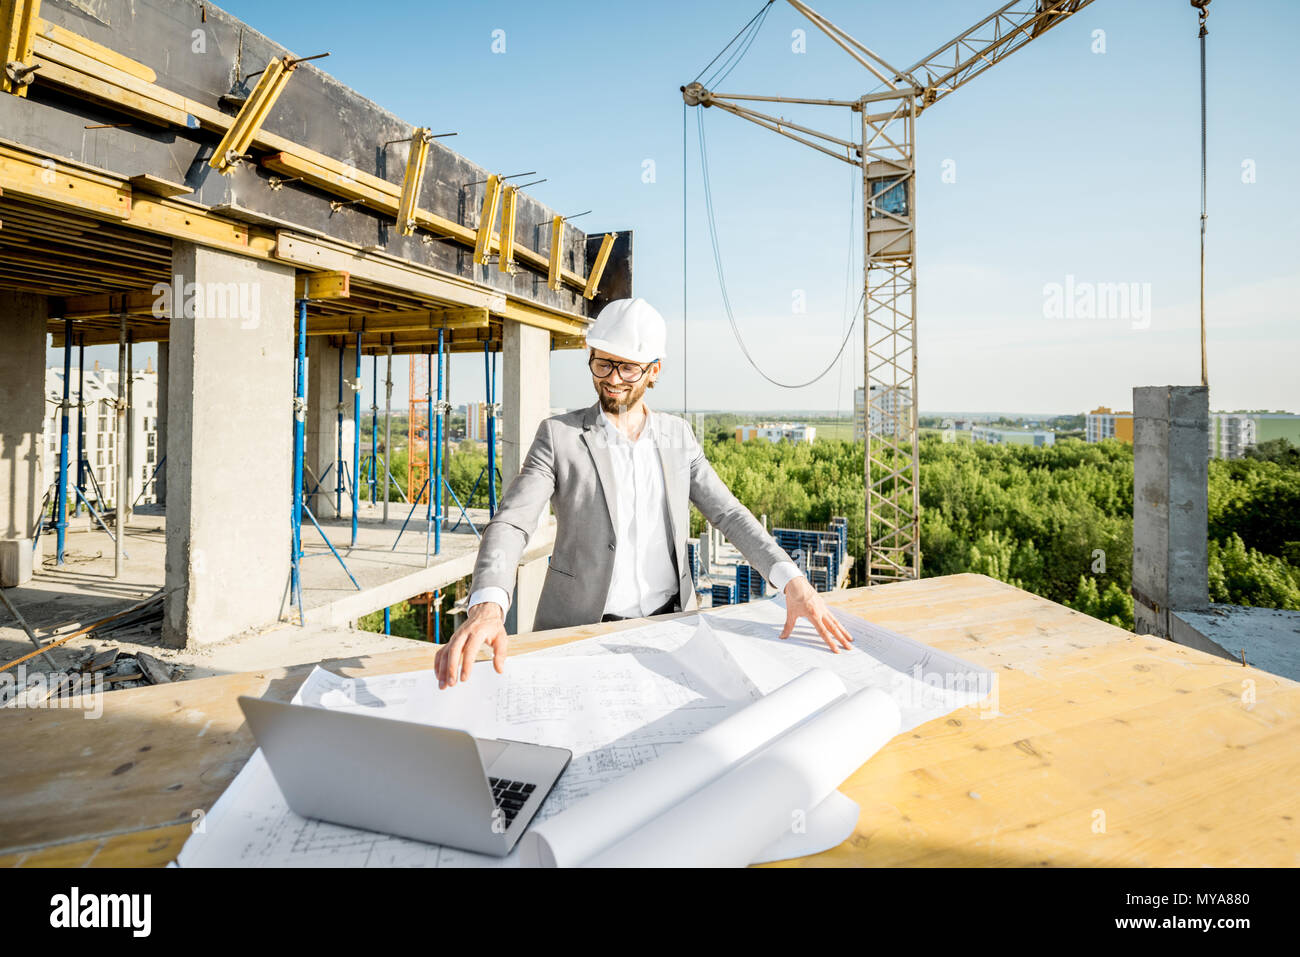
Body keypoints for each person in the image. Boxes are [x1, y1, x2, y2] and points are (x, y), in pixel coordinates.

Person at [435, 297, 852, 689]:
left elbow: (729, 514)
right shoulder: (559, 436)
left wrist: (792, 581)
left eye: (628, 369)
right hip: (579, 629)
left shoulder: (678, 437)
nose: (613, 380)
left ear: (654, 369)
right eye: (603, 365)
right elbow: (512, 521)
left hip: (671, 628)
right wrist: (488, 604)